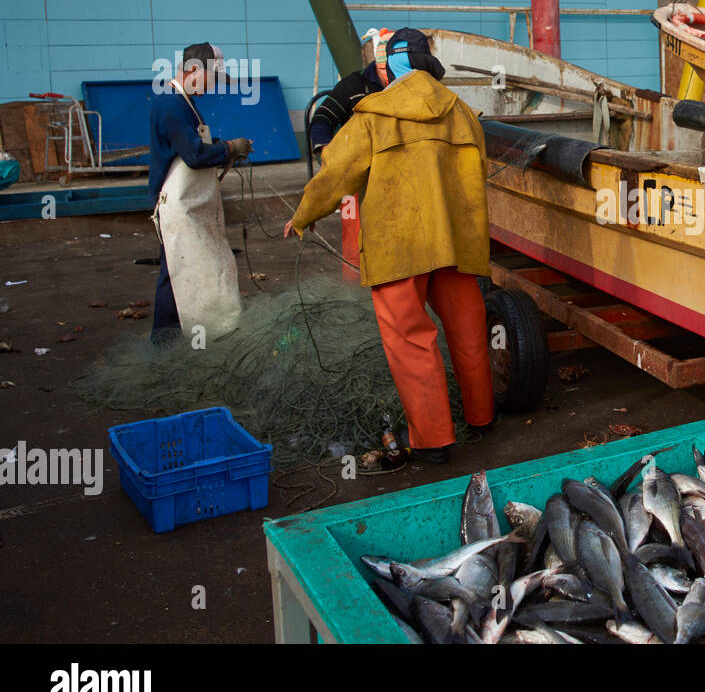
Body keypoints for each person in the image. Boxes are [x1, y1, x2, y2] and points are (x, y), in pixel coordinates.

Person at [285, 28, 493, 464]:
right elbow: (480, 169)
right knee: (468, 326)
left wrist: (303, 215)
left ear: (392, 65)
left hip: (400, 247)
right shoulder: (463, 112)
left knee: (411, 338)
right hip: (456, 241)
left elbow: (336, 175)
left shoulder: (374, 114)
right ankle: (481, 417)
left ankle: (436, 442)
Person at [148, 42, 252, 345]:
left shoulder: (184, 102)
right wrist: (230, 148)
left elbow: (192, 145)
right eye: (212, 77)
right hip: (177, 207)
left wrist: (223, 149)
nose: (214, 84)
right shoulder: (171, 104)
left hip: (189, 204)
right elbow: (193, 155)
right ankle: (166, 342)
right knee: (177, 272)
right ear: (194, 70)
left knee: (180, 269)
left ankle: (187, 333)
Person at [307, 27, 447, 157]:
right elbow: (323, 117)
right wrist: (328, 152)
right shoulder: (353, 84)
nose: (393, 75)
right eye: (385, 70)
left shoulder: (422, 86)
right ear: (377, 65)